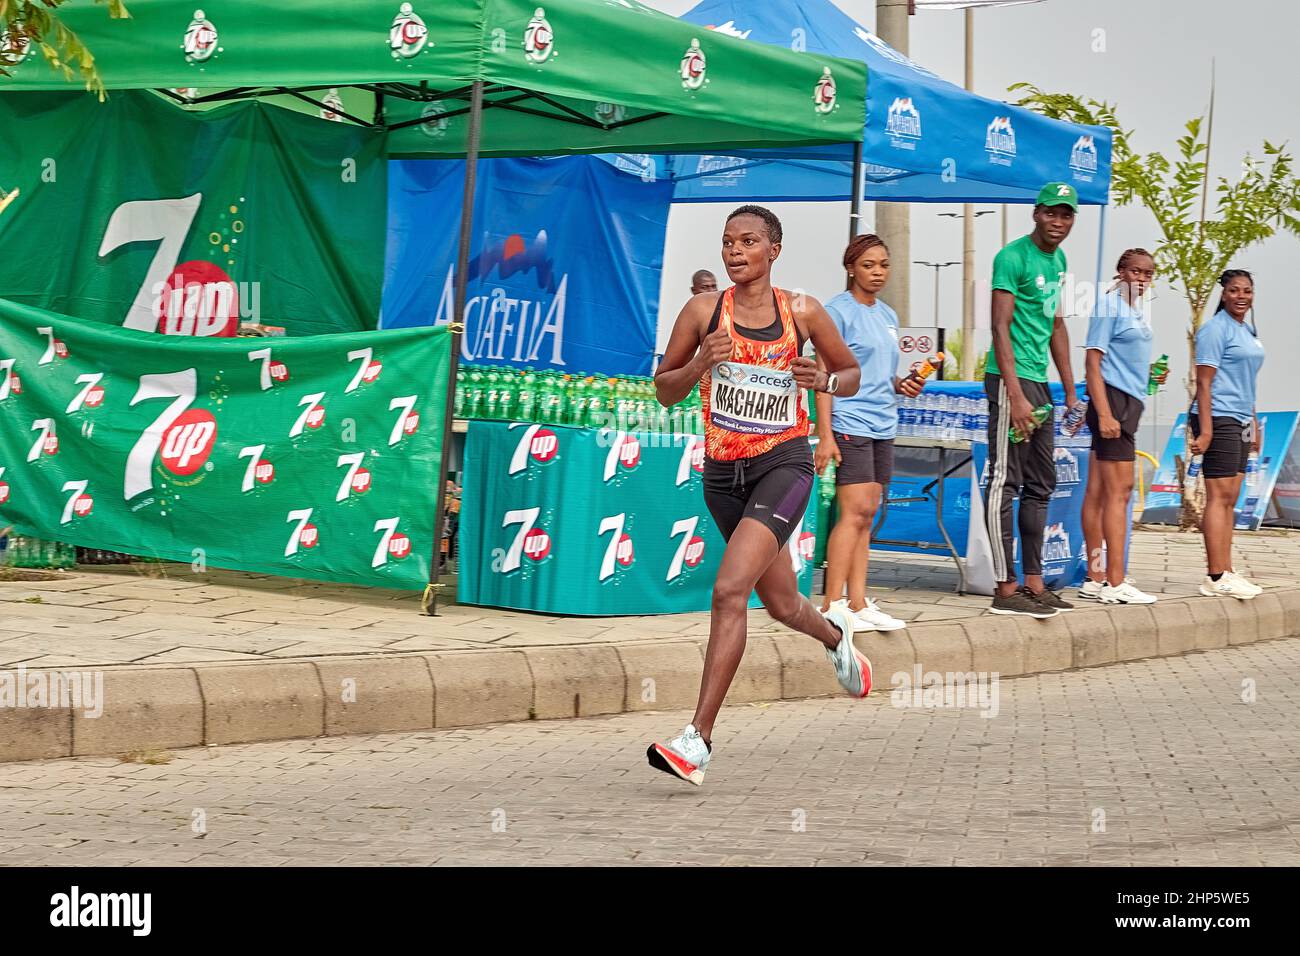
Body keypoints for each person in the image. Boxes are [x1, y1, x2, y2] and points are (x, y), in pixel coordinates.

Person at [647, 205, 867, 786]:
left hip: (784, 464)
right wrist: (701, 362)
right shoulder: (702, 311)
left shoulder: (803, 311)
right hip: (723, 475)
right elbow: (665, 392)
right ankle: (836, 637)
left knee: (728, 590)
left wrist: (825, 380)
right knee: (782, 603)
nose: (735, 251)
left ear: (774, 249)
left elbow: (850, 374)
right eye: (727, 242)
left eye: (748, 241)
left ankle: (697, 741)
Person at [983, 182, 1083, 618]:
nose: (1058, 222)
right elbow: (999, 329)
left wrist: (1071, 390)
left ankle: (1034, 583)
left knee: (1042, 484)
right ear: (1036, 213)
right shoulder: (1012, 257)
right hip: (1010, 382)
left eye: (1066, 215)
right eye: (1051, 213)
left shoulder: (1058, 259)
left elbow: (1056, 325)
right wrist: (1017, 396)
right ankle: (1005, 588)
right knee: (1006, 482)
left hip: (1039, 385)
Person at [813, 234, 918, 632]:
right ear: (851, 267)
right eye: (869, 265)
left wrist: (900, 383)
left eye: (884, 265)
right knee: (853, 512)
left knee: (868, 514)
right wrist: (826, 434)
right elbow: (825, 376)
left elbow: (876, 372)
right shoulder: (836, 312)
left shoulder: (888, 315)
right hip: (850, 422)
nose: (877, 272)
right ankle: (832, 603)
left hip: (883, 423)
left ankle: (858, 603)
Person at [1078, 249, 1165, 605]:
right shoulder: (1108, 306)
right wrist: (1105, 413)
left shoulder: (1134, 311)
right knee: (1121, 491)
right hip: (1111, 403)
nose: (1142, 279)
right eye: (1135, 272)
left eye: (1148, 274)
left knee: (1099, 491)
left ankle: (1095, 577)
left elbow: (1125, 360)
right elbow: (1092, 363)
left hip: (1129, 400)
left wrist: (1151, 375)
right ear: (1121, 272)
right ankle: (1115, 582)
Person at [1190, 269, 1265, 600]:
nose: (1241, 296)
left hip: (1240, 419)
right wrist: (1205, 431)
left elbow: (1246, 382)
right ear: (1224, 294)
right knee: (1218, 497)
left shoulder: (1246, 329)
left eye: (1247, 291)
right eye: (1234, 290)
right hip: (1217, 418)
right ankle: (1215, 574)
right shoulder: (1214, 330)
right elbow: (1204, 382)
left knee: (1230, 499)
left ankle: (1228, 570)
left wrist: (1254, 423)